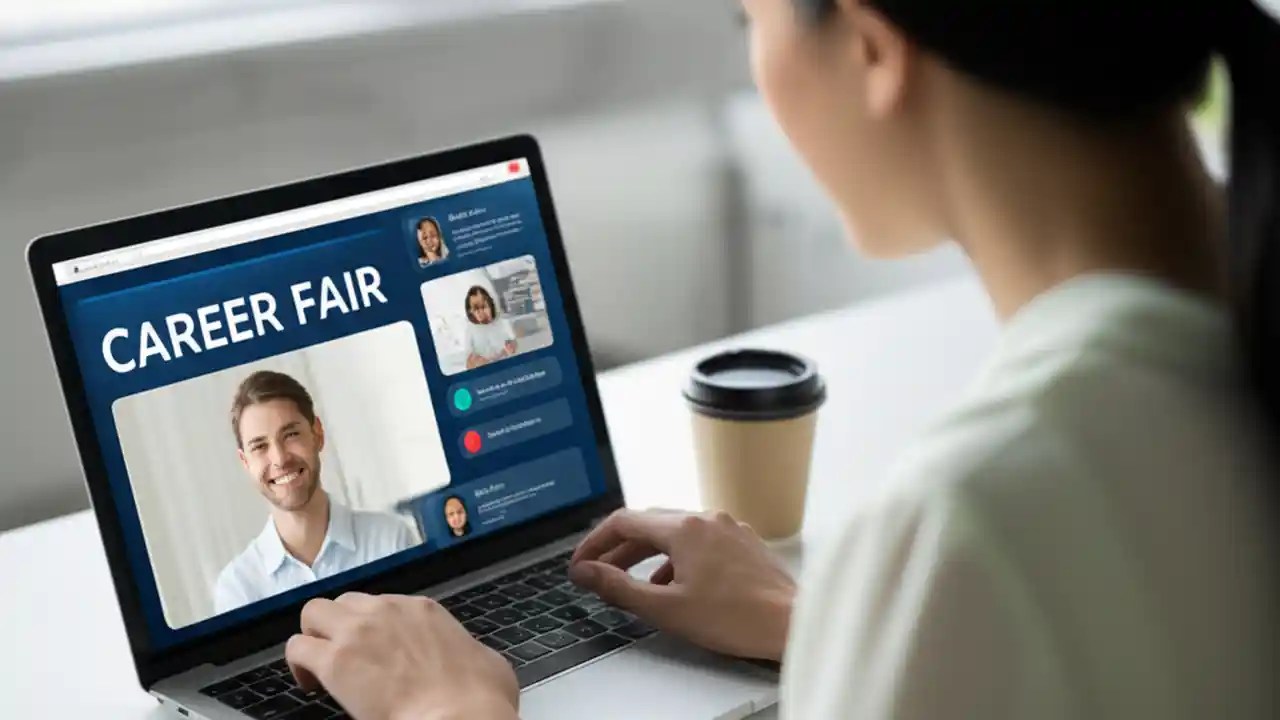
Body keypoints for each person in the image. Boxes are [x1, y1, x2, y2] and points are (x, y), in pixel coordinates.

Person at [281, 2, 1280, 719]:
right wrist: (834, 627)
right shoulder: (1214, 384)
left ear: (870, 47)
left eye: (745, 20)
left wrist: (450, 710)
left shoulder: (979, 521)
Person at [214, 370, 421, 613]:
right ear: (246, 462)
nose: (279, 458)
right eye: (260, 446)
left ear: (317, 434)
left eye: (290, 435)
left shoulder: (391, 539)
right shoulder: (238, 589)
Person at [463, 285, 518, 370]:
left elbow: (514, 341)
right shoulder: (470, 329)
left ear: (490, 305)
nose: (481, 312)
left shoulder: (502, 321)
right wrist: (474, 362)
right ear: (471, 312)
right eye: (476, 309)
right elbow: (468, 361)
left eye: (484, 307)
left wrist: (512, 346)